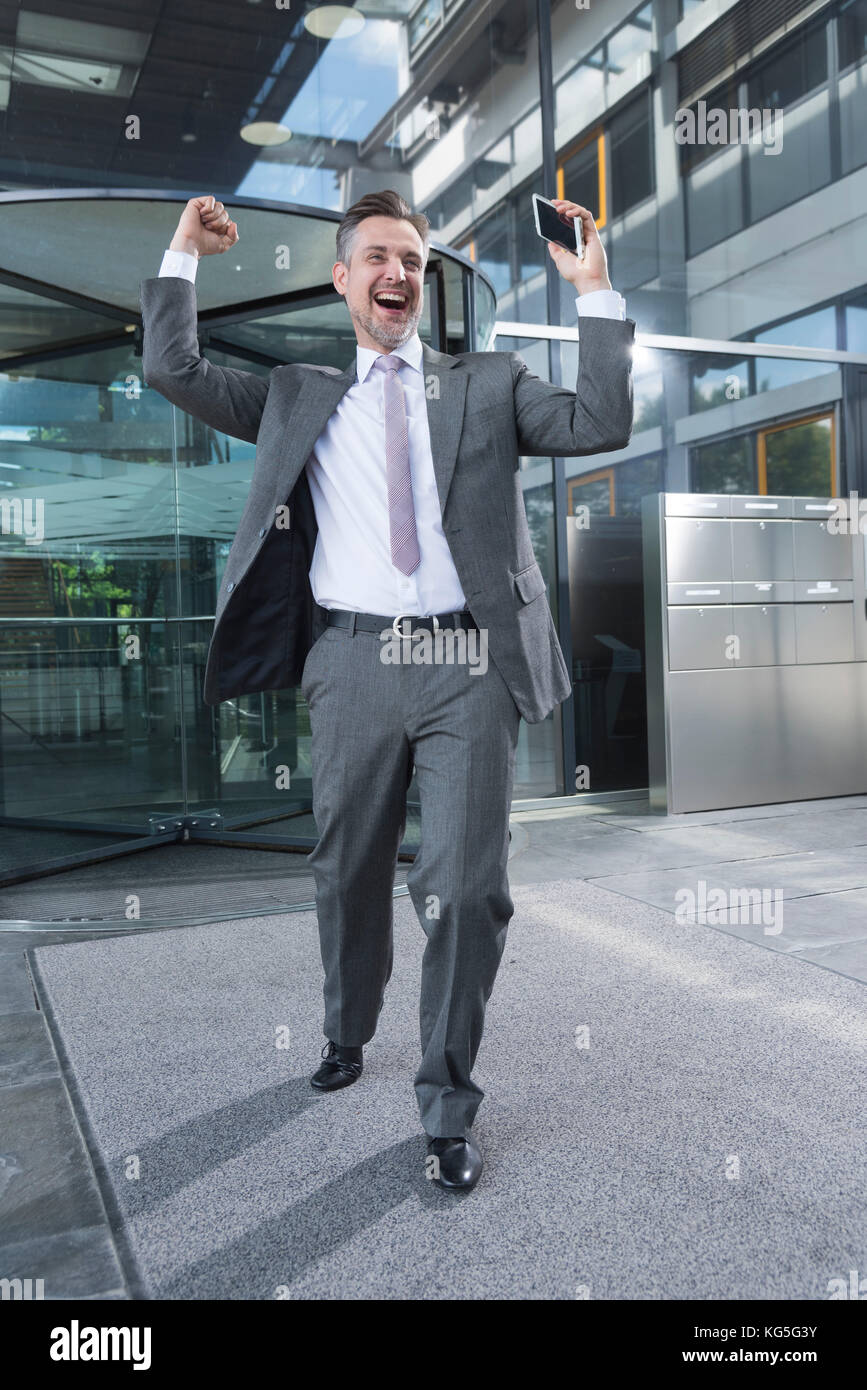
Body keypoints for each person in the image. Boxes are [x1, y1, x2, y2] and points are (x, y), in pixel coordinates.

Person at [140, 189, 634, 1191]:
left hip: (464, 667)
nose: (396, 275)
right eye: (375, 258)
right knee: (346, 865)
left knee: (468, 887)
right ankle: (345, 1026)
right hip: (353, 660)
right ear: (343, 277)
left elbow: (601, 419)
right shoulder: (296, 395)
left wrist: (595, 289)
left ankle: (447, 1105)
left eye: (410, 259)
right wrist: (184, 252)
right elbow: (171, 368)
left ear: (426, 277)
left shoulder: (490, 385)